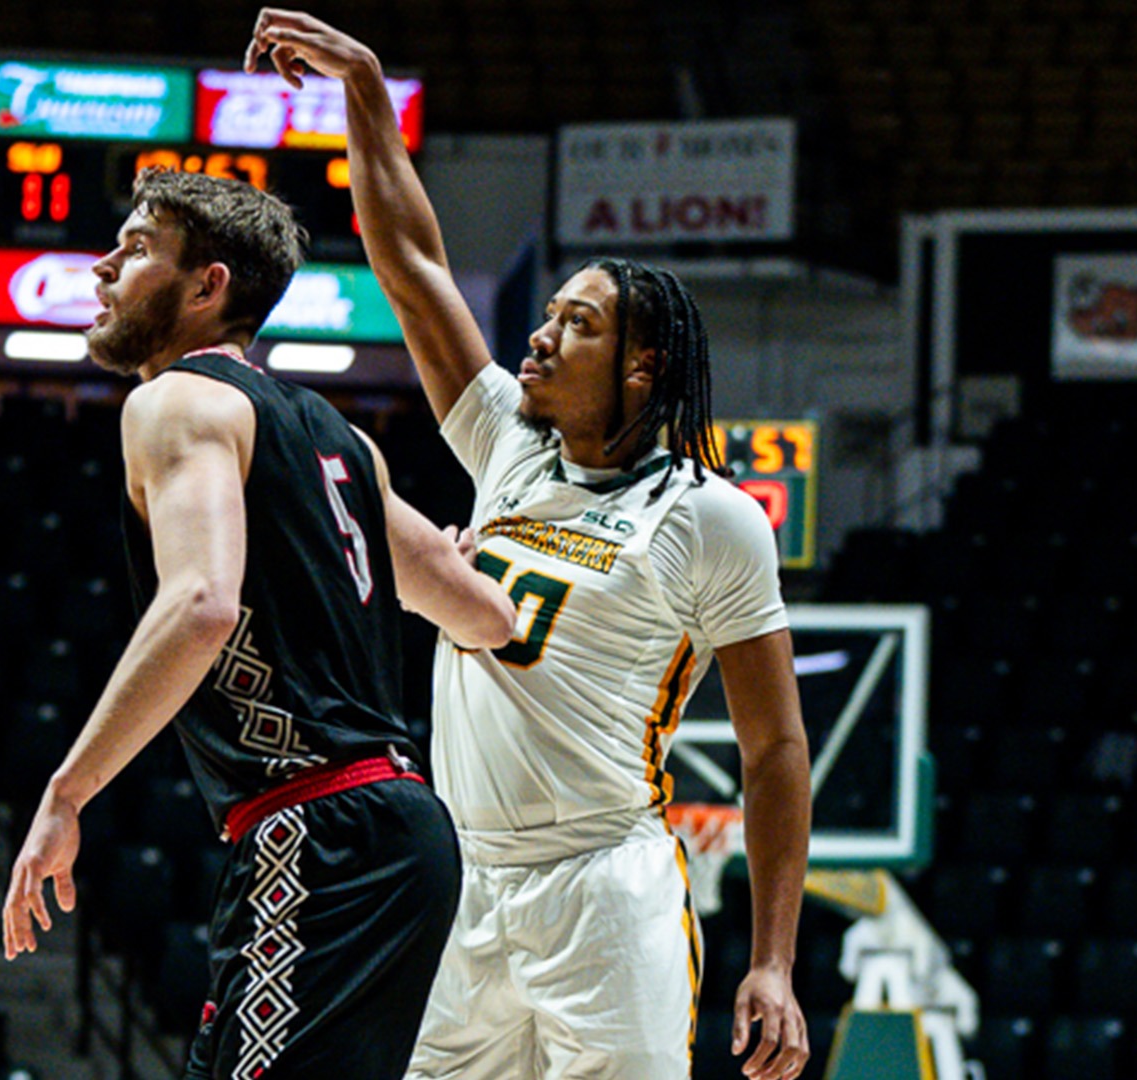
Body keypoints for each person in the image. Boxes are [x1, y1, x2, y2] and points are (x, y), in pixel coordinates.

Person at [246, 13, 814, 1080]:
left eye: (578, 324)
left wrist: (773, 961)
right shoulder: (510, 444)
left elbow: (775, 748)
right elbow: (410, 264)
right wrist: (363, 90)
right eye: (546, 315)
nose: (539, 336)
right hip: (461, 876)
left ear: (642, 368)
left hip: (604, 883)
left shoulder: (711, 517)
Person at [0, 166, 517, 1080]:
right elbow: (481, 613)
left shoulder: (174, 402)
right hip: (408, 835)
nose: (102, 268)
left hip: (313, 829)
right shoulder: (341, 437)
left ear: (209, 286)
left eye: (136, 249)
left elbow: (201, 606)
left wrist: (67, 792)